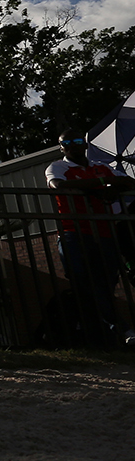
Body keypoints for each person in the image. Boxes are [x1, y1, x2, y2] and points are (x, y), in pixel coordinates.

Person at [46, 129, 135, 347]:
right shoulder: (58, 166)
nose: (73, 145)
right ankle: (119, 328)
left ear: (85, 145)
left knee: (105, 282)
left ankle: (107, 334)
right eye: (67, 142)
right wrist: (101, 184)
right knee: (81, 280)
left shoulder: (101, 166)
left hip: (105, 231)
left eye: (78, 141)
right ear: (61, 147)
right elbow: (58, 185)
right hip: (73, 232)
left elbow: (130, 182)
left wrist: (111, 187)